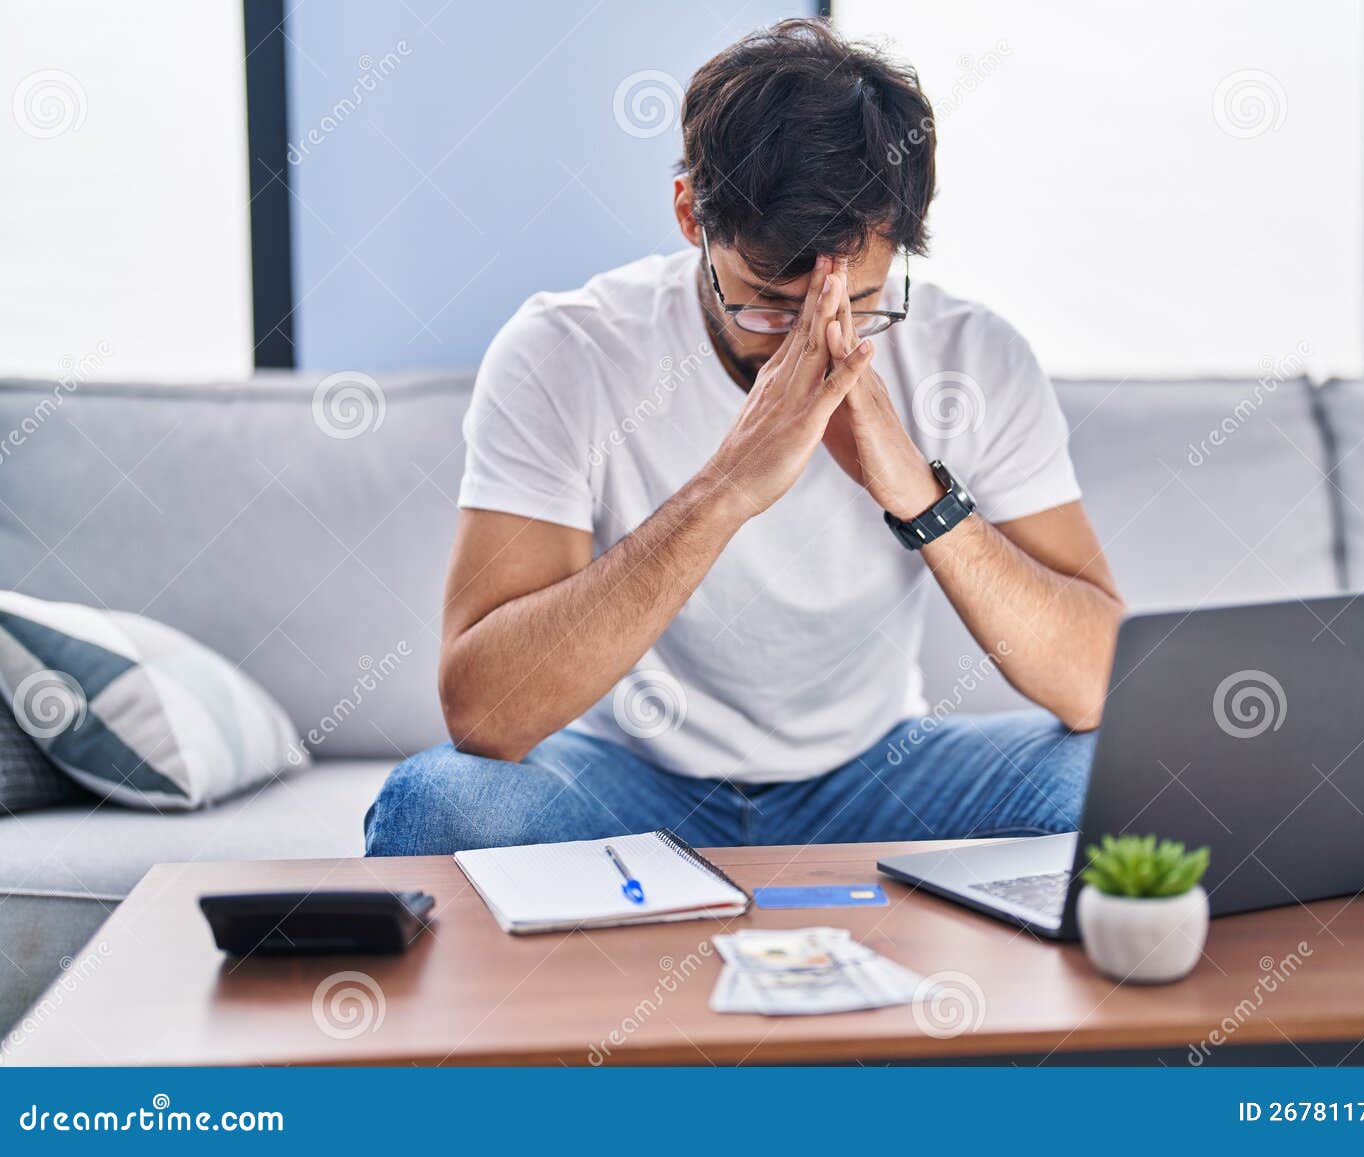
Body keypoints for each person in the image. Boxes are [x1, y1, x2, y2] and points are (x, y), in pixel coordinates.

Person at [365, 19, 1123, 856]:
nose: (817, 340)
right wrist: (723, 489)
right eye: (770, 303)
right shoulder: (565, 350)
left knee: (1123, 777)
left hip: (876, 772)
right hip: (630, 782)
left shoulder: (974, 356)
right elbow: (485, 714)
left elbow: (1096, 684)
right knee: (435, 806)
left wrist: (920, 496)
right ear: (691, 215)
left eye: (860, 301)